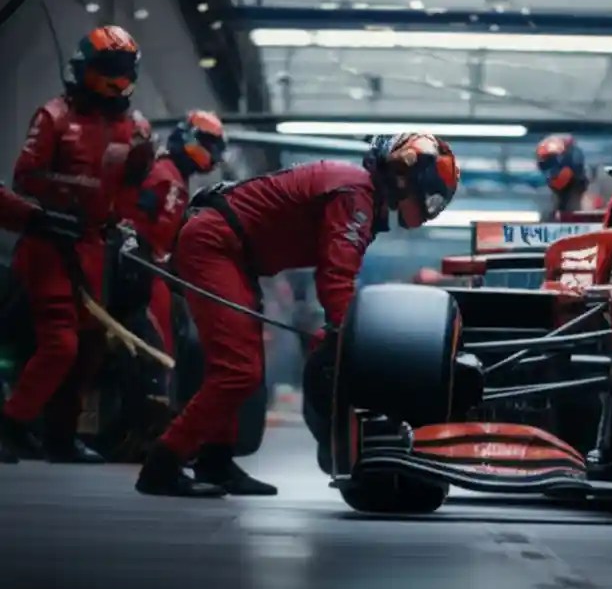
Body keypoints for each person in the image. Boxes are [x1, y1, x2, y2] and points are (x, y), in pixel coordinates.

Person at [135, 131, 460, 497]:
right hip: (217, 246)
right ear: (403, 175)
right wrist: (353, 337)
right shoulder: (356, 195)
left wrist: (341, 330)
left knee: (239, 369)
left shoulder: (359, 193)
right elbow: (336, 278)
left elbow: (335, 275)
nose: (426, 201)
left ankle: (215, 462)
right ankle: (162, 465)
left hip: (232, 252)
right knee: (238, 371)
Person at [0, 25, 152, 465]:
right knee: (60, 344)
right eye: (108, 68)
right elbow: (24, 179)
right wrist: (43, 216)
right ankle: (10, 424)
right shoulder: (53, 116)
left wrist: (123, 228)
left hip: (94, 247)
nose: (116, 78)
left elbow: (129, 190)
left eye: (123, 70)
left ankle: (60, 437)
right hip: (49, 244)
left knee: (88, 347)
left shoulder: (137, 129)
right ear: (85, 68)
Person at [117, 110, 227, 355]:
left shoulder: (173, 175)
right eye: (210, 146)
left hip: (153, 268)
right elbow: (137, 220)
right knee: (159, 345)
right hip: (143, 268)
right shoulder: (165, 175)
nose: (214, 156)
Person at [535, 133, 603, 219]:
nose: (551, 174)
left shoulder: (595, 195)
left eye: (553, 162)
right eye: (546, 165)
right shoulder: (546, 199)